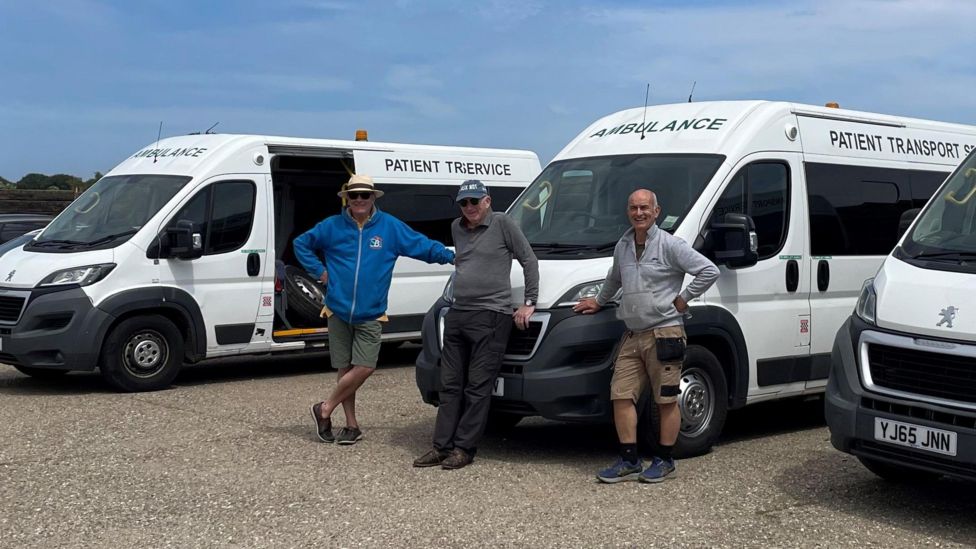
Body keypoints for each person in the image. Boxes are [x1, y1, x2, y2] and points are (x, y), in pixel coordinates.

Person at [296, 174, 455, 445]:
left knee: (366, 366)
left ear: (373, 198)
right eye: (354, 194)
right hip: (337, 310)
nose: (359, 199)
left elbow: (423, 246)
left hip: (371, 312)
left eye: (364, 195)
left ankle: (324, 408)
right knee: (345, 370)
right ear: (346, 197)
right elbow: (301, 244)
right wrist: (321, 273)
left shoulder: (390, 227)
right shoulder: (332, 227)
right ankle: (351, 426)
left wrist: (454, 256)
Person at [573, 189, 718, 483]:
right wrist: (599, 301)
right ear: (628, 212)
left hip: (665, 332)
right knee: (621, 396)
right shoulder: (623, 245)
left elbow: (708, 270)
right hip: (633, 333)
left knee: (666, 400)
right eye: (633, 208)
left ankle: (665, 460)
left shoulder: (671, 245)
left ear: (656, 211)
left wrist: (684, 299)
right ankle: (629, 460)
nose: (639, 213)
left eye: (644, 208)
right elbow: (615, 278)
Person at [413, 180, 539, 470]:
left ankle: (464, 449)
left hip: (491, 315)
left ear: (487, 201)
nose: (469, 207)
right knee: (450, 385)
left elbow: (529, 260)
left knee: (477, 386)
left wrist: (529, 301)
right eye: (464, 203)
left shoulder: (503, 223)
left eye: (474, 201)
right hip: (458, 312)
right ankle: (441, 447)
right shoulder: (457, 227)